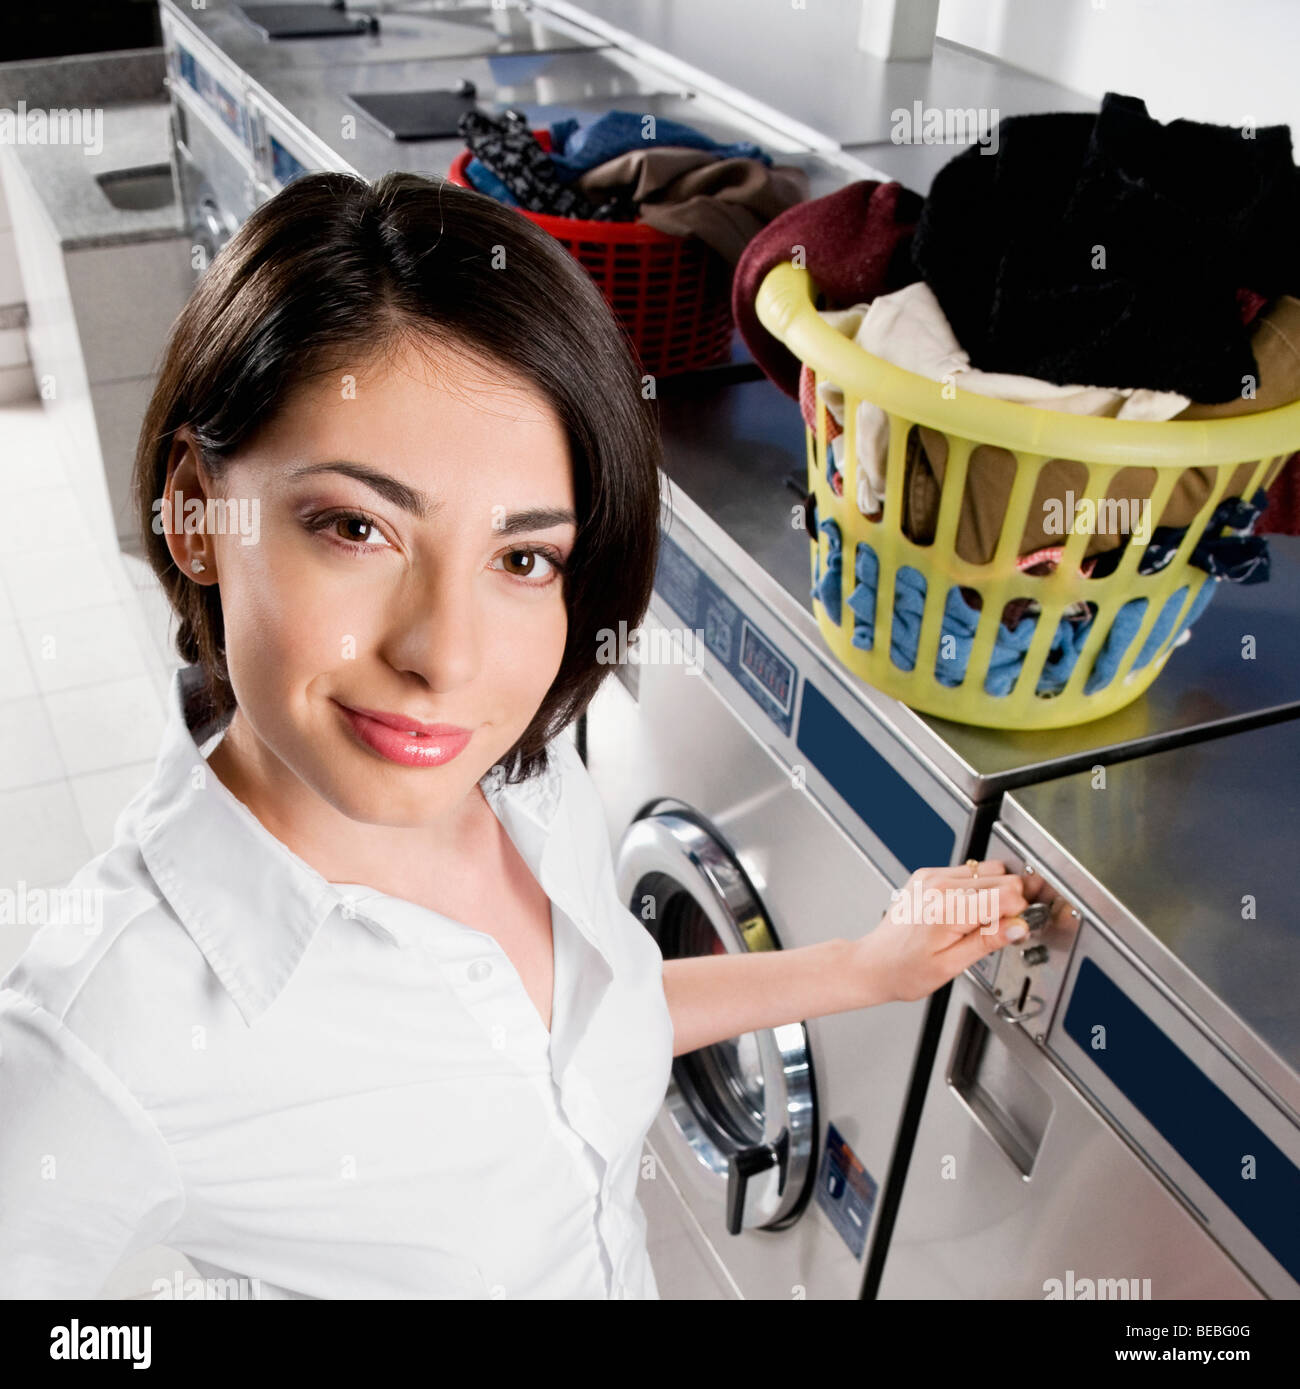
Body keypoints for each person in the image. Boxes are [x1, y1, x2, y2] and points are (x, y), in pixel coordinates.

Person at [0, 170, 1031, 1300]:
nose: (446, 658)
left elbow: (583, 1020)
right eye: (357, 527)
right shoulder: (106, 1027)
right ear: (197, 512)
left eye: (522, 558)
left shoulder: (527, 782)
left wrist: (863, 969)